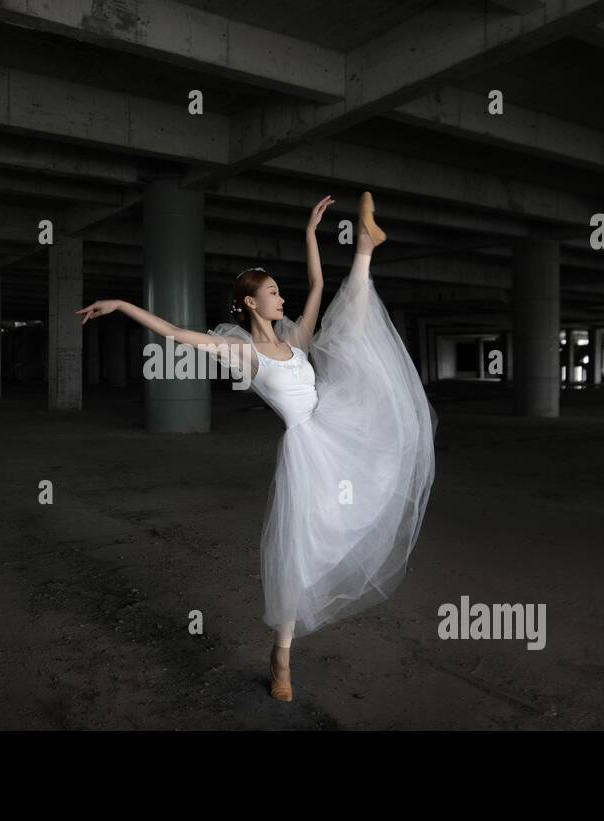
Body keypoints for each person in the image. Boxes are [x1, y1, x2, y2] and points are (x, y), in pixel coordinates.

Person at [77, 192, 437, 702]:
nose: (281, 298)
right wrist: (121, 304)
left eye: (278, 291)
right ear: (251, 302)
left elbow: (315, 284)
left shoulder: (296, 339)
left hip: (335, 421)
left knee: (349, 327)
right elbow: (178, 333)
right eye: (271, 292)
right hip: (308, 448)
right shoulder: (242, 351)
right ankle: (282, 657)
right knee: (298, 553)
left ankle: (364, 247)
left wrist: (309, 234)